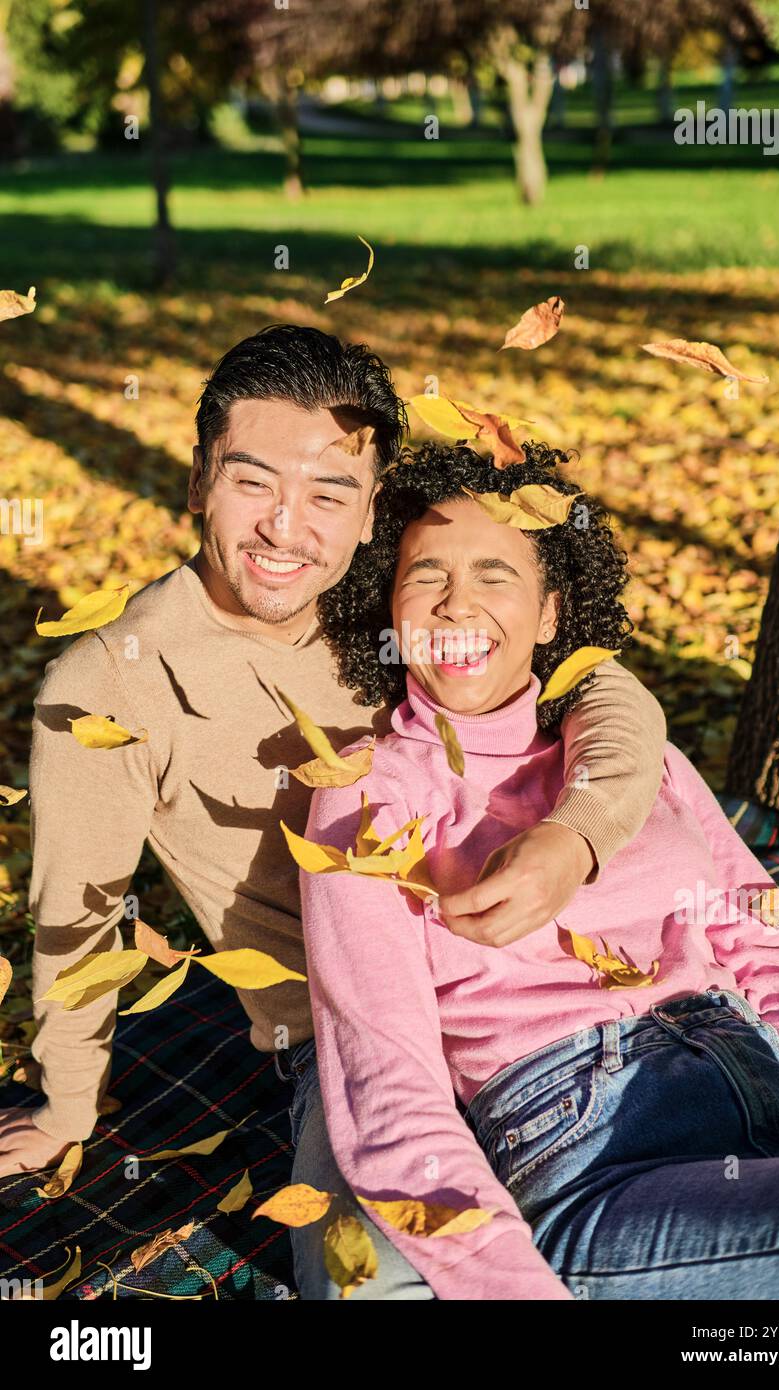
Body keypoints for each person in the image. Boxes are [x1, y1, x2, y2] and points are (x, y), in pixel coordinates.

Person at [0, 327, 668, 1300]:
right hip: (355, 1034)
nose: (285, 528)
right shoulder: (108, 685)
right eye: (251, 482)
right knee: (376, 1282)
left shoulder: (398, 594)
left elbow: (605, 690)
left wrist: (577, 832)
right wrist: (64, 1102)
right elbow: (78, 911)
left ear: (368, 513)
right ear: (197, 481)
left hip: (546, 983)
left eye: (328, 494)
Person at [296, 439, 779, 1301]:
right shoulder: (368, 795)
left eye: (495, 573)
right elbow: (388, 1085)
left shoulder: (633, 764)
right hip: (605, 1165)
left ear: (552, 613)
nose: (457, 602)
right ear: (389, 607)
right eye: (425, 575)